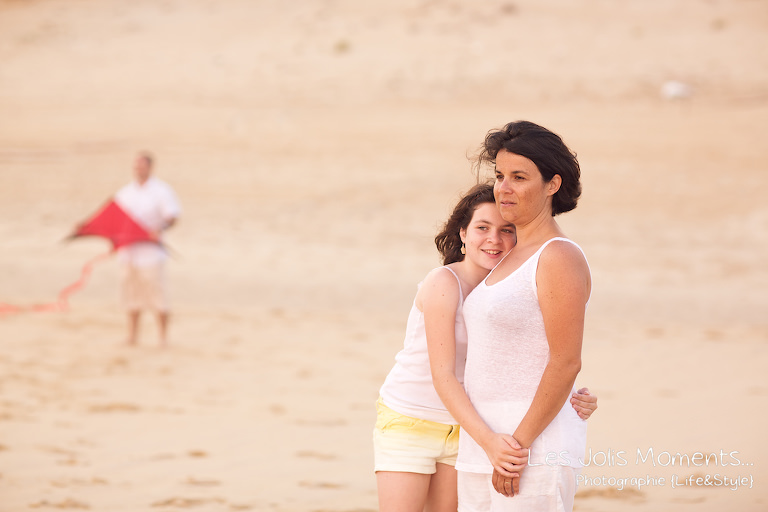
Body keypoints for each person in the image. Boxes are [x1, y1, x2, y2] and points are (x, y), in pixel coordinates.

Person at [375, 183, 598, 512]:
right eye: (482, 228)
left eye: (506, 230)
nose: (494, 239)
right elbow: (444, 375)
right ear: (463, 234)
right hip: (414, 419)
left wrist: (571, 396)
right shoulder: (443, 283)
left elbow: (525, 354)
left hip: (466, 429)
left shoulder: (508, 288)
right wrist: (491, 443)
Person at [455, 121, 591, 512]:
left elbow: (566, 360)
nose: (504, 188)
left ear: (552, 184)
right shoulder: (506, 253)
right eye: (499, 176)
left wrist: (518, 446)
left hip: (531, 447)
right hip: (485, 443)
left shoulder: (558, 256)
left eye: (519, 177)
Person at [114, 151, 181, 347]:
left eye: (142, 165)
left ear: (150, 167)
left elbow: (172, 216)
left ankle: (163, 338)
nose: (139, 169)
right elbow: (114, 219)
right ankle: (132, 336)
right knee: (131, 296)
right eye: (136, 166)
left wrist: (158, 229)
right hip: (128, 253)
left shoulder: (161, 191)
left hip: (151, 254)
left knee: (157, 296)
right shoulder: (125, 192)